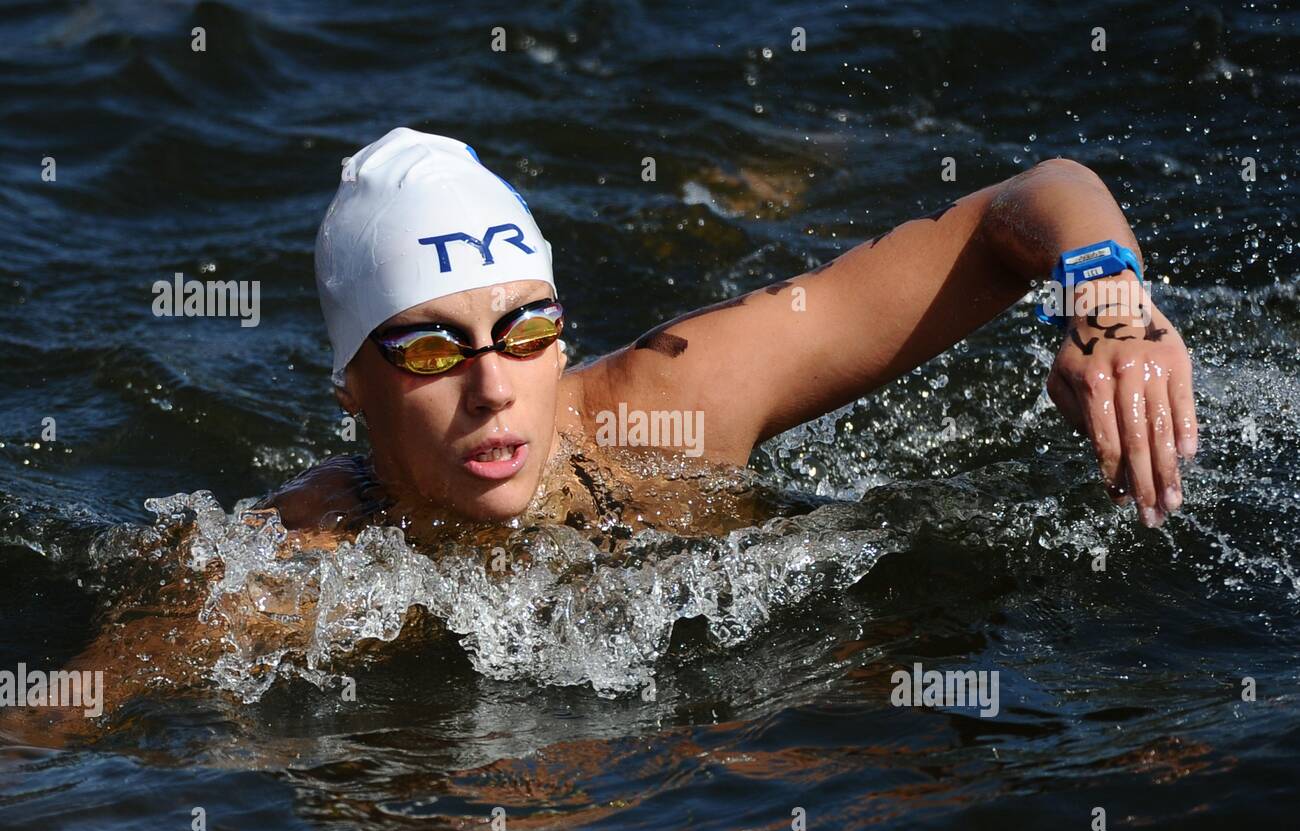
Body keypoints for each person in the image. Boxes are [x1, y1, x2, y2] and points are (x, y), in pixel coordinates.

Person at [271, 127, 1196, 536]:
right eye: (432, 348)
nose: (494, 387)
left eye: (524, 330)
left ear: (562, 337)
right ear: (349, 382)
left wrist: (1109, 302)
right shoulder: (295, 561)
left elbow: (1023, 205)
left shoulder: (669, 405)